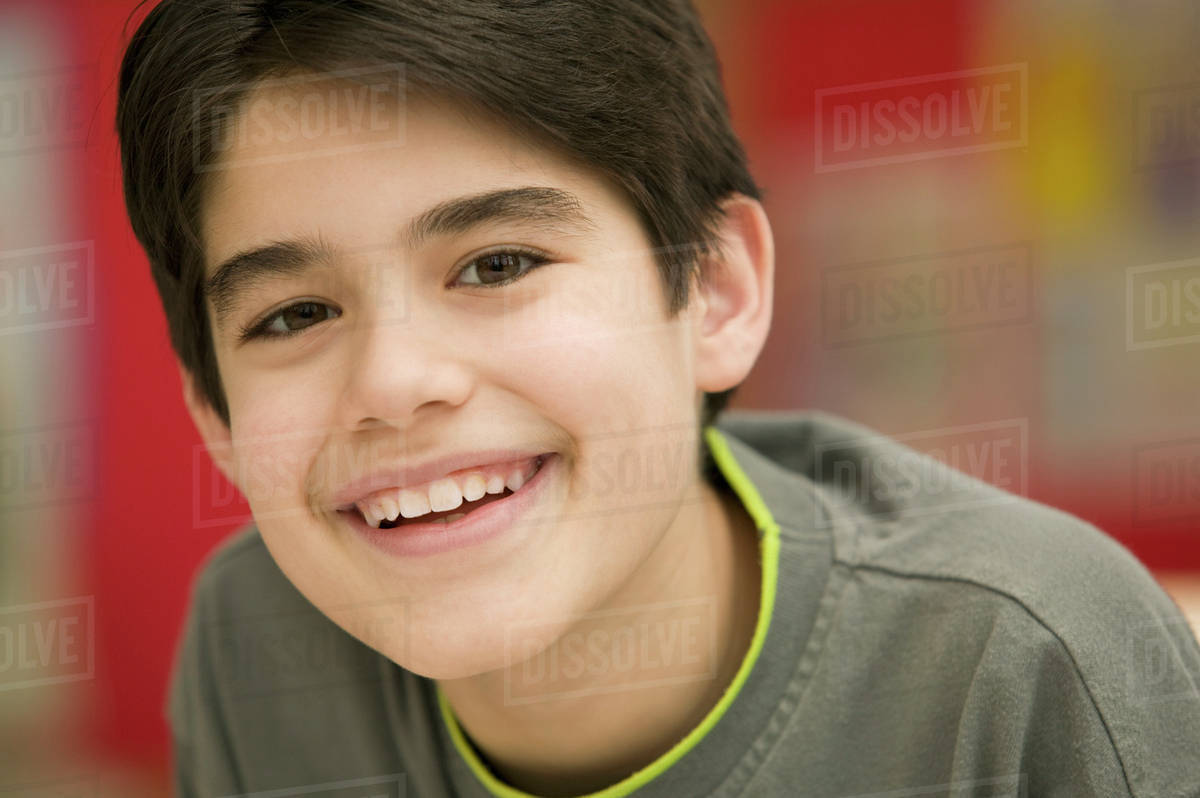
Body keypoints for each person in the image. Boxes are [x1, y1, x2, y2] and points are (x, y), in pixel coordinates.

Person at [116, 1, 1200, 796]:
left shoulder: (1025, 660)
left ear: (719, 292)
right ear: (215, 418)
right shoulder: (254, 643)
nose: (394, 384)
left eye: (498, 264)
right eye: (293, 317)